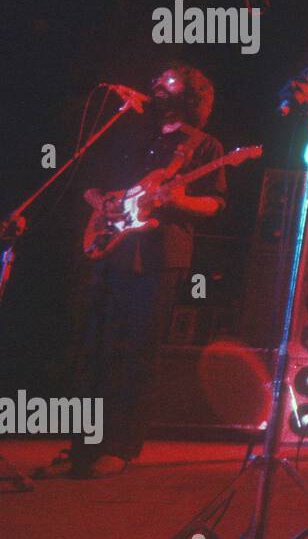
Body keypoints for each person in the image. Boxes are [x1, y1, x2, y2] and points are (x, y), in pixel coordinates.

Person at [37, 64, 226, 479]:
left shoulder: (205, 146)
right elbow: (91, 184)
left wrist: (171, 201)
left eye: (171, 80)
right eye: (157, 78)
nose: (159, 84)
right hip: (110, 249)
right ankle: (81, 446)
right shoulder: (134, 136)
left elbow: (213, 204)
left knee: (136, 352)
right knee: (92, 347)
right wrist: (103, 202)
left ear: (193, 95)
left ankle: (119, 447)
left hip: (159, 255)